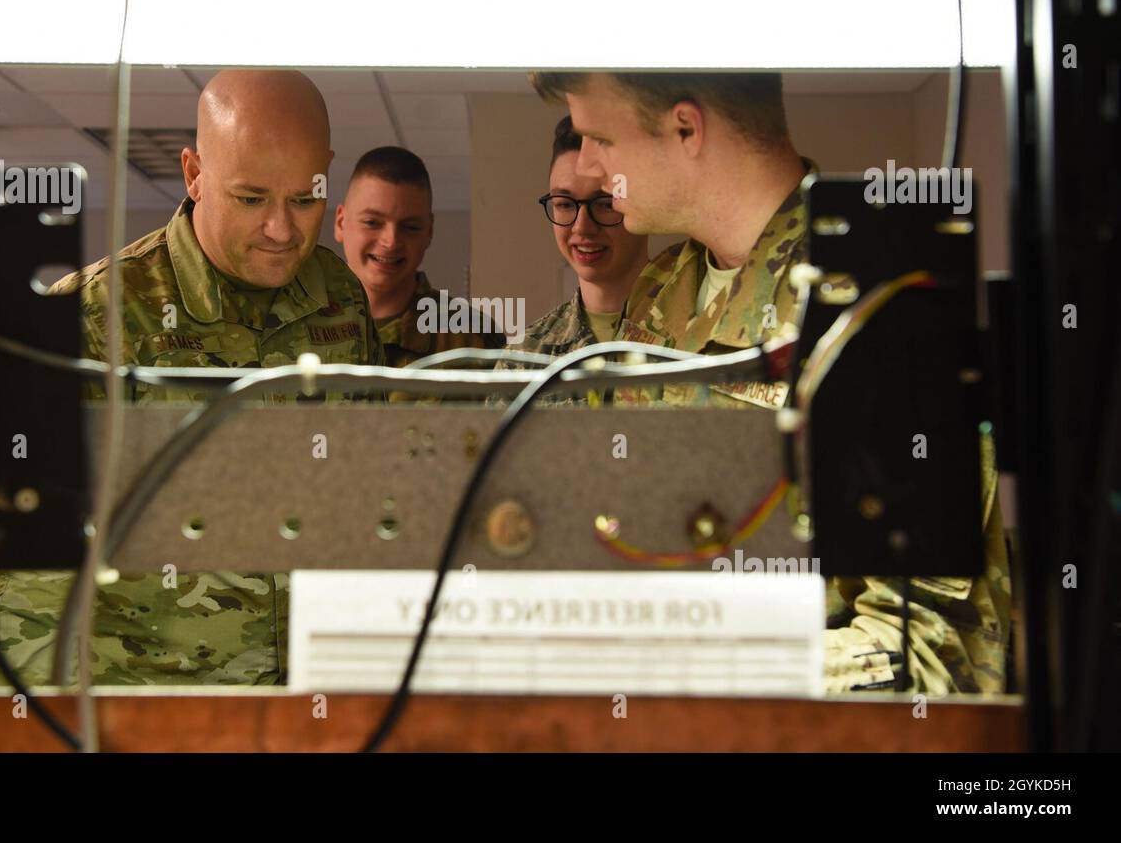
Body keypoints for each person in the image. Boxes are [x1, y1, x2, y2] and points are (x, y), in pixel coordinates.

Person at [529, 70, 1011, 694]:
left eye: (600, 139)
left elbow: (934, 647)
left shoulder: (877, 301)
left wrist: (698, 668)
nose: (588, 168)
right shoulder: (663, 289)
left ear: (684, 129)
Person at [0, 70, 385, 687]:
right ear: (193, 172)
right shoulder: (93, 317)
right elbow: (21, 579)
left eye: (305, 198)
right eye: (251, 198)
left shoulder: (340, 301)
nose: (282, 229)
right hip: (154, 712)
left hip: (309, 703)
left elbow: (366, 499)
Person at [335, 146, 504, 369]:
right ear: (340, 223)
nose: (391, 241)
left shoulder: (472, 339)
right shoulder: (292, 324)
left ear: (429, 231)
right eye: (372, 223)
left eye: (410, 227)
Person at [497, 115, 648, 364]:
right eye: (565, 204)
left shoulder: (692, 329)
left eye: (605, 204)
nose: (582, 227)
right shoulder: (526, 357)